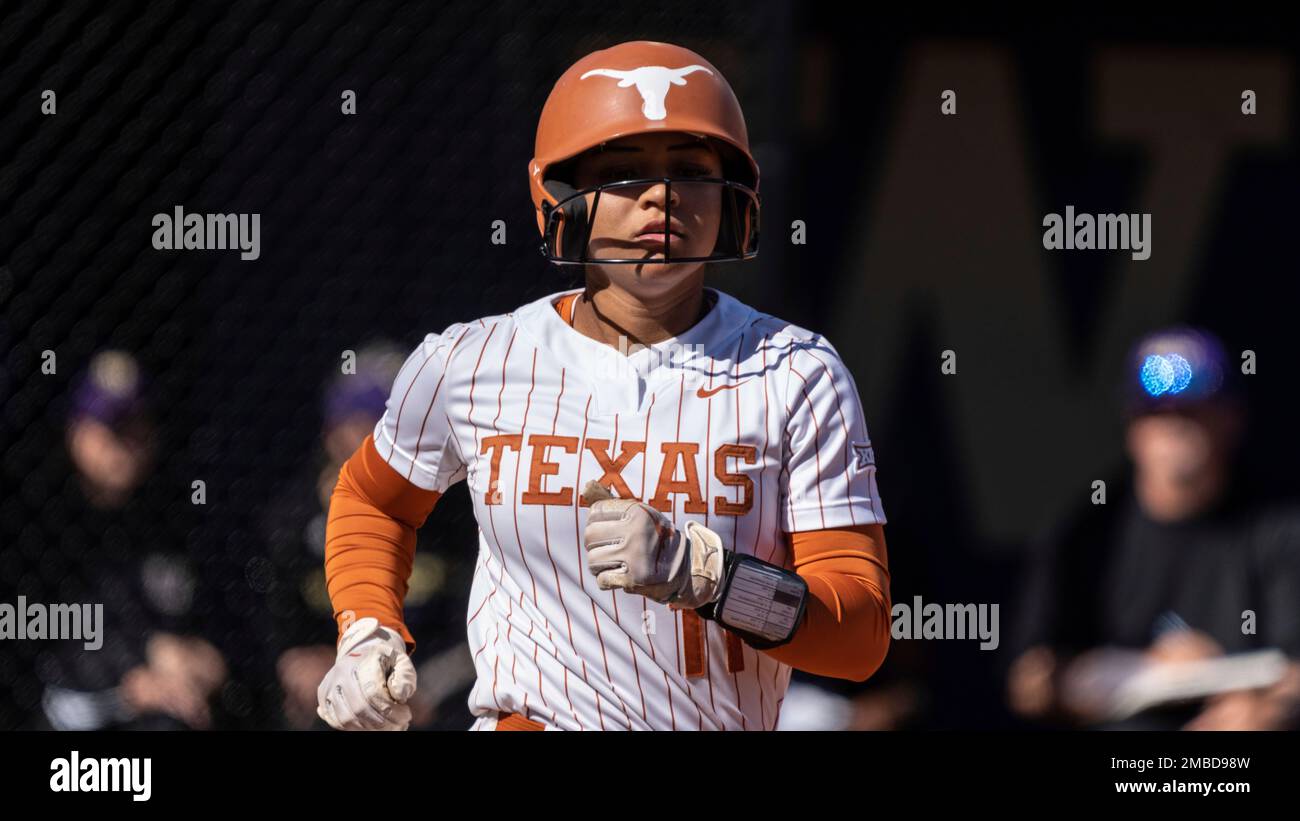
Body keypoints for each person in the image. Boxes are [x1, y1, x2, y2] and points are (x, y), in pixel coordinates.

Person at [316, 40, 892, 731]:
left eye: (689, 168)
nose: (660, 195)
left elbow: (859, 633)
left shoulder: (799, 372)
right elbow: (373, 500)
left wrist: (704, 575)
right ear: (559, 196)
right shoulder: (470, 359)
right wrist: (366, 627)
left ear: (734, 194)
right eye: (623, 173)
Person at [1008, 327, 1300, 730]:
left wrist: (1268, 710)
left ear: (1231, 417)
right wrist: (1122, 675)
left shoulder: (1278, 528)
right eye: (1156, 413)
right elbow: (1028, 683)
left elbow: (1294, 669)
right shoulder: (1086, 533)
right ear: (1132, 427)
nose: (1173, 428)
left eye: (1192, 411)